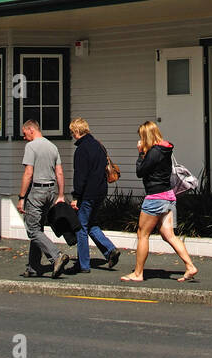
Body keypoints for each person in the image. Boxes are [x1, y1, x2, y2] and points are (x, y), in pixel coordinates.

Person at [121, 121, 197, 283]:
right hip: (169, 196)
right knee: (169, 235)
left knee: (143, 234)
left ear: (146, 136)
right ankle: (190, 266)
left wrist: (141, 153)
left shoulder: (154, 152)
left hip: (155, 198)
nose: (140, 140)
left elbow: (140, 172)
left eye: (142, 136)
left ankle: (138, 273)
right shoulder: (165, 149)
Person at [16, 119, 70, 278]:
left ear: (31, 129)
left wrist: (21, 197)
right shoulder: (53, 147)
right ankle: (33, 268)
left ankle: (56, 256)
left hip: (37, 191)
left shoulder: (31, 147)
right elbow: (59, 172)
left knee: (32, 230)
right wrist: (60, 195)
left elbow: (28, 173)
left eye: (25, 133)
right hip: (51, 192)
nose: (24, 137)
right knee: (38, 228)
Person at [68, 118, 119, 272]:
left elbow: (80, 176)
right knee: (91, 224)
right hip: (101, 191)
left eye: (72, 132)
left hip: (88, 194)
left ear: (77, 132)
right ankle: (109, 250)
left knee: (81, 228)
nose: (71, 135)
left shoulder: (81, 150)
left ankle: (83, 264)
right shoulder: (98, 145)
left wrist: (76, 197)